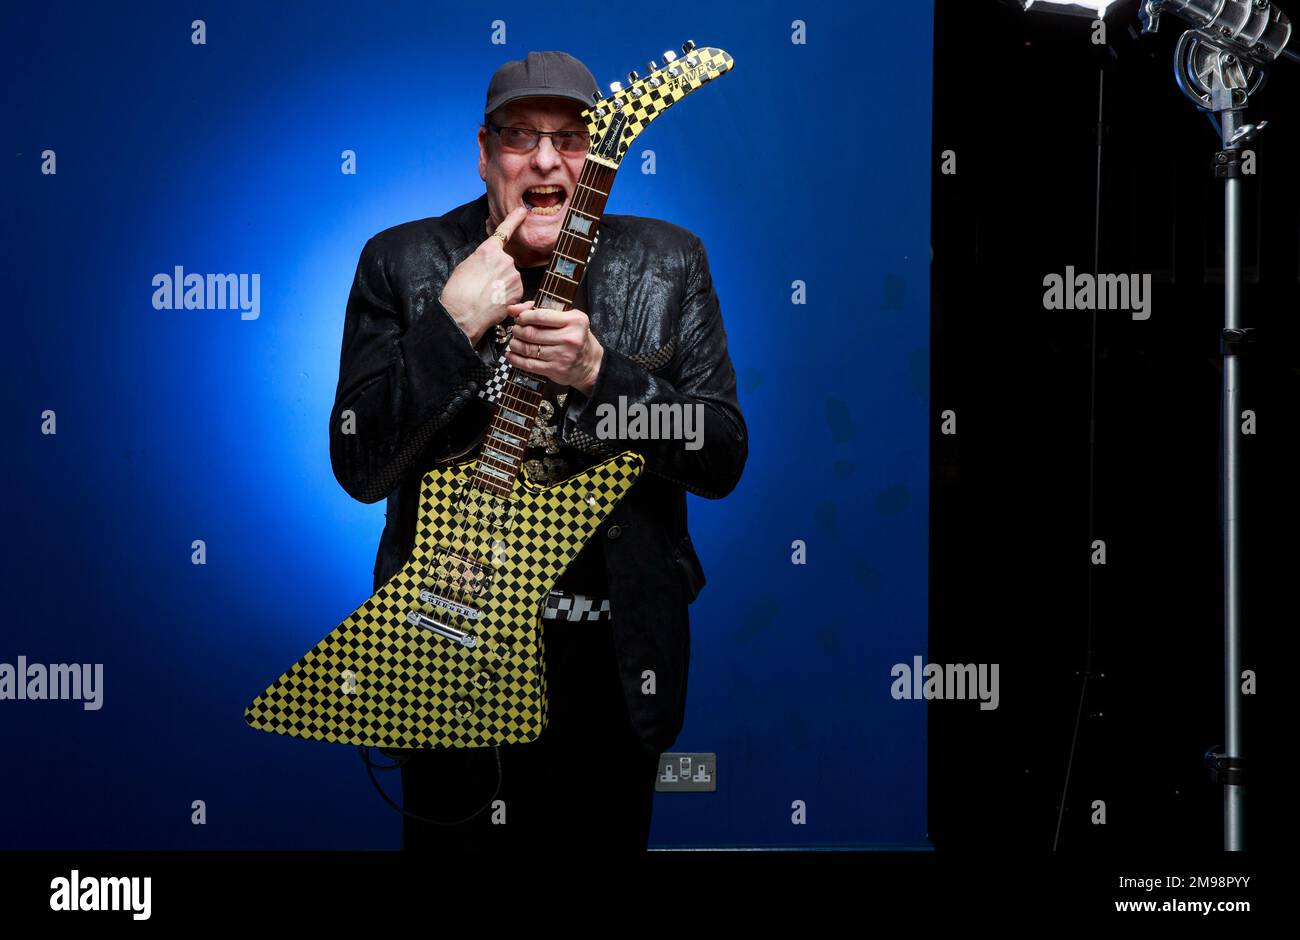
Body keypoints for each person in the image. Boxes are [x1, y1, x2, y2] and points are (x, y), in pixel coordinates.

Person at [328, 50, 747, 851]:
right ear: (485, 153)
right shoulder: (402, 262)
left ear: (600, 155)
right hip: (446, 648)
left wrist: (601, 374)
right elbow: (360, 466)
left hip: (614, 657)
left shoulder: (669, 262)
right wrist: (450, 327)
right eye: (522, 136)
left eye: (572, 136)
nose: (547, 158)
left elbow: (720, 454)